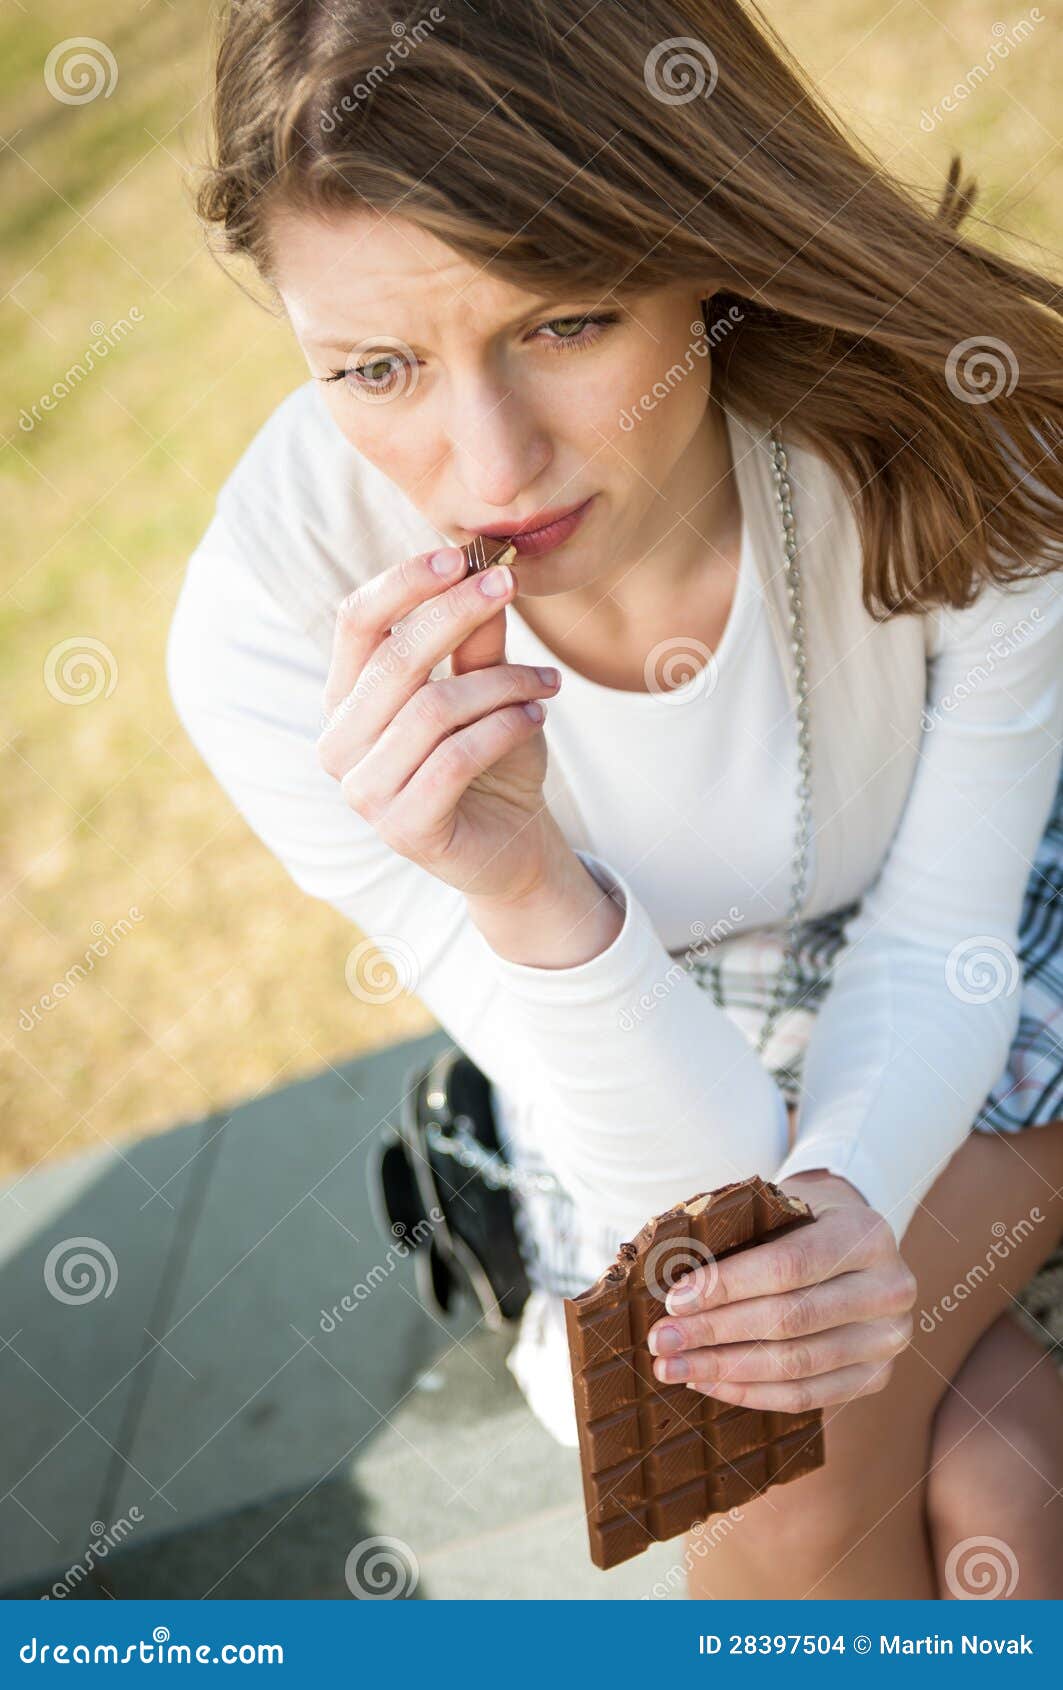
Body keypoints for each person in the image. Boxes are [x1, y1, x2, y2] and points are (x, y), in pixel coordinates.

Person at [169, 0, 1063, 1597]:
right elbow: (691, 1184)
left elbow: (945, 938)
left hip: (998, 948)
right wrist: (523, 885)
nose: (487, 465)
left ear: (705, 237)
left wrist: (858, 1198)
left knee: (799, 1480)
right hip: (628, 1031)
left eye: (566, 322)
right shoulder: (264, 630)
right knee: (1000, 1483)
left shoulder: (966, 435)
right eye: (374, 368)